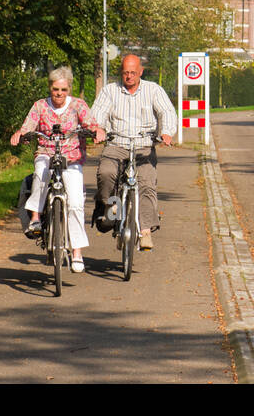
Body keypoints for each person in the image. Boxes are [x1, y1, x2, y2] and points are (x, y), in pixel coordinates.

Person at [10, 67, 104, 273]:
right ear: (49, 88)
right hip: (47, 152)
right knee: (40, 174)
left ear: (69, 88)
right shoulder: (40, 106)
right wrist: (21, 133)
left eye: (63, 89)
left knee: (76, 203)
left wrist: (97, 131)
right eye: (55, 89)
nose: (59, 93)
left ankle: (77, 252)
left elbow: (91, 123)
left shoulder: (78, 105)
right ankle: (36, 218)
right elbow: (28, 125)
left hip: (71, 157)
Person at [90, 54, 175, 250]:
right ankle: (110, 208)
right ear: (121, 72)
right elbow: (98, 114)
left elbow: (167, 112)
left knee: (146, 183)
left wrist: (166, 133)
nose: (129, 76)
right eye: (126, 72)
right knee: (106, 173)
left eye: (133, 73)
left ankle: (145, 231)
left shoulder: (153, 90)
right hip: (116, 144)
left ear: (141, 72)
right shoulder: (110, 91)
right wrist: (99, 129)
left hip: (144, 146)